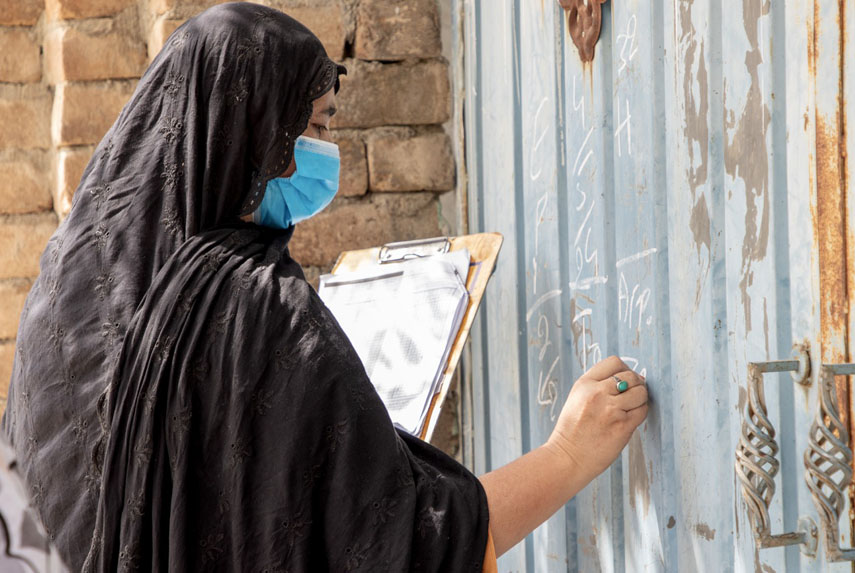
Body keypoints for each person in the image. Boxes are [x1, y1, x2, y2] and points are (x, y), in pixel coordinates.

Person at [2, 3, 648, 571]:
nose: (323, 152)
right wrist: (568, 454)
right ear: (253, 137)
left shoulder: (63, 289)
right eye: (314, 128)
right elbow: (401, 542)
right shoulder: (254, 312)